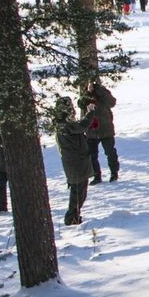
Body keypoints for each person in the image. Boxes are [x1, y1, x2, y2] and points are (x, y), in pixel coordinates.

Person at [53, 96, 91, 226]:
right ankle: (72, 217)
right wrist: (90, 113)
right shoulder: (66, 125)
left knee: (79, 190)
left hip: (73, 160)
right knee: (78, 191)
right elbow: (83, 126)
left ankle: (74, 215)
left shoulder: (62, 124)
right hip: (76, 161)